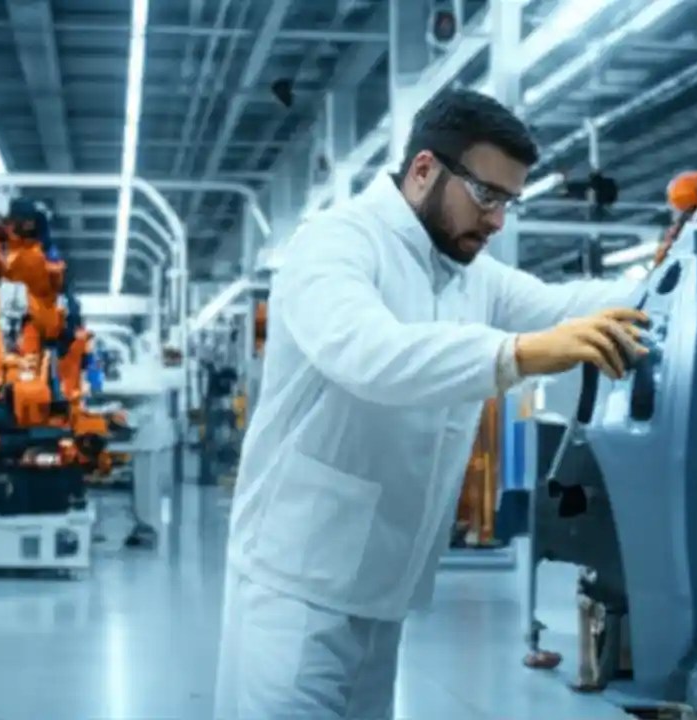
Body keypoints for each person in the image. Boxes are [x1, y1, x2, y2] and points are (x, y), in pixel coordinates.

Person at [212, 88, 650, 719]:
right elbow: (372, 354)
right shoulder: (335, 245)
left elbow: (568, 305)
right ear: (423, 170)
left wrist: (668, 276)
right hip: (295, 588)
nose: (498, 219)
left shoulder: (470, 273)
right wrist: (518, 355)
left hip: (381, 590)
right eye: (488, 195)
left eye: (509, 201)